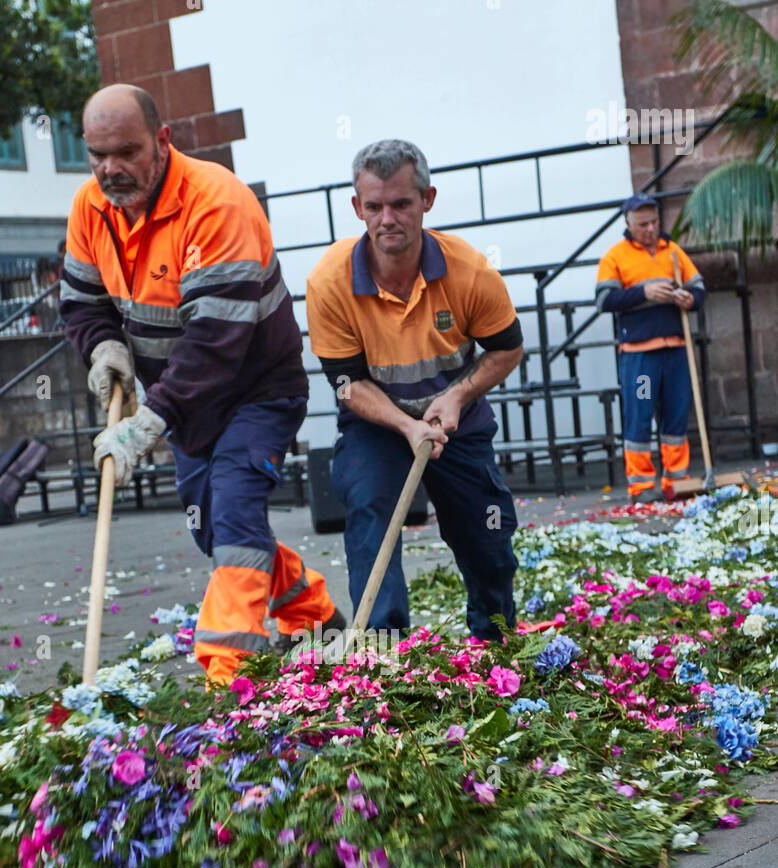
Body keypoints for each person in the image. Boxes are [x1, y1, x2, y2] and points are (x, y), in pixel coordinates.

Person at [59, 83, 343, 684]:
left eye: (127, 151)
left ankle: (229, 674)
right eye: (97, 154)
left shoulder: (216, 202)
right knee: (211, 527)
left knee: (236, 514)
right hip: (186, 404)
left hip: (256, 388)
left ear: (163, 141)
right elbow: (83, 303)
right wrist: (104, 347)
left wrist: (145, 424)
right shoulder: (90, 207)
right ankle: (317, 619)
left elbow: (216, 340)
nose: (111, 169)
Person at [305, 139, 523, 641]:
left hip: (457, 420)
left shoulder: (471, 271)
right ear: (357, 207)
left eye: (401, 203)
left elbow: (507, 350)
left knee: (486, 530)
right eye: (375, 206)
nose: (388, 219)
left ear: (428, 198)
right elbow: (345, 383)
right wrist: (405, 425)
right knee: (369, 509)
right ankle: (383, 654)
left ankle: (496, 640)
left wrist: (457, 397)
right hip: (376, 424)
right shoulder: (328, 282)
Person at [596, 193, 705, 501]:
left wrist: (690, 299)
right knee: (640, 415)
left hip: (674, 349)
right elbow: (604, 300)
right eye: (643, 223)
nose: (650, 228)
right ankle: (641, 486)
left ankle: (676, 481)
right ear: (628, 223)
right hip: (639, 355)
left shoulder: (673, 251)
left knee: (676, 415)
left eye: (654, 221)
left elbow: (699, 289)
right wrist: (644, 293)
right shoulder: (614, 256)